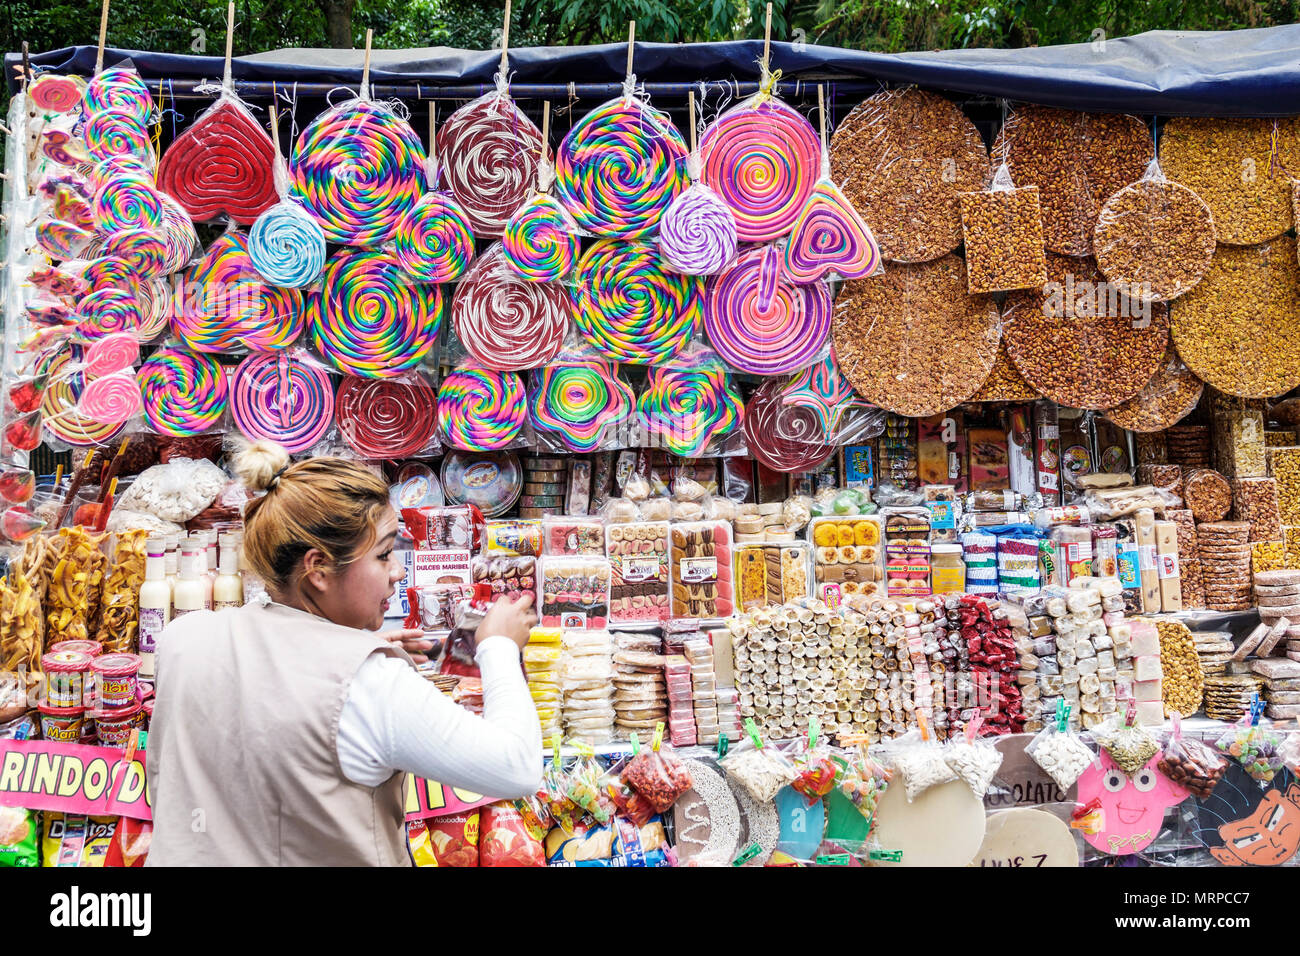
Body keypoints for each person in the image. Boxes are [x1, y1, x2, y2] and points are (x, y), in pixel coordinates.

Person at [145, 440, 542, 866]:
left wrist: (349, 649)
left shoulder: (182, 637)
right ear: (317, 570)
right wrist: (498, 645)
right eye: (385, 554)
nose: (396, 573)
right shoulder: (370, 683)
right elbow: (516, 768)